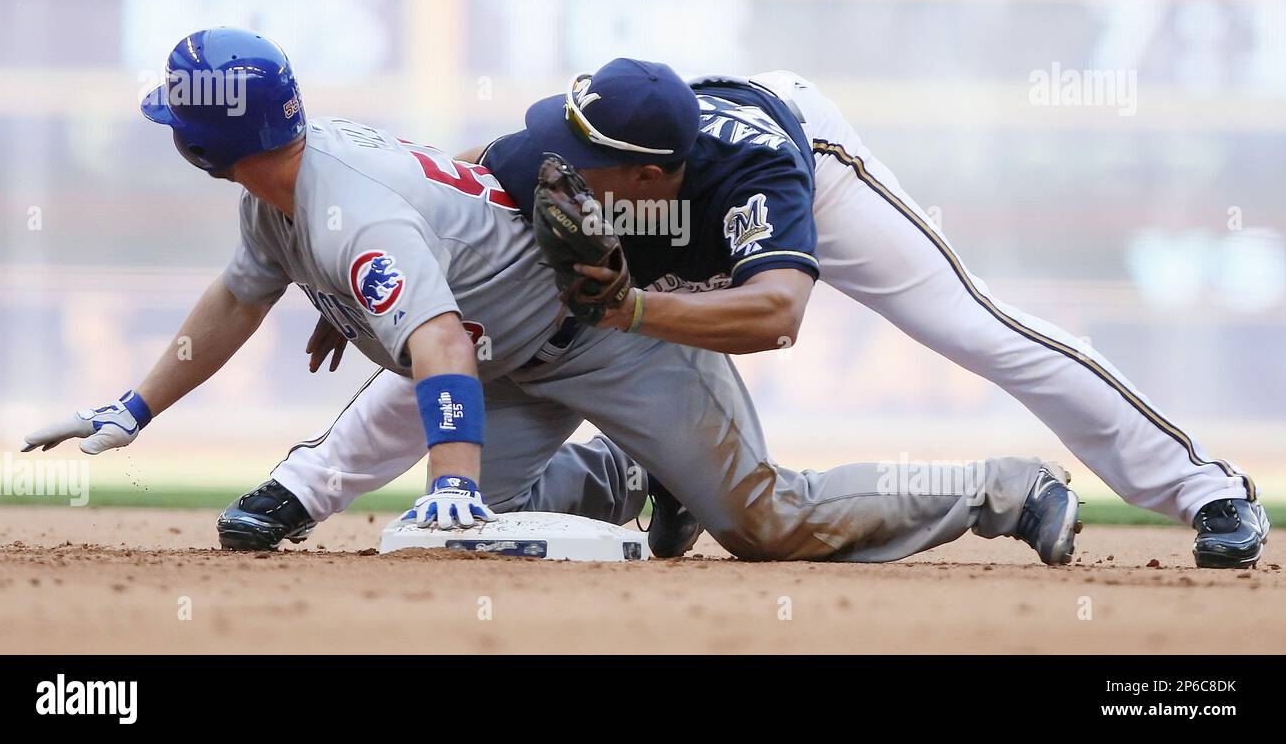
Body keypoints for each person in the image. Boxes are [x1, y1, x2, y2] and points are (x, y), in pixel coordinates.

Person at [22, 28, 1082, 566]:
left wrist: (446, 478)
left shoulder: (342, 210)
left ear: (213, 146)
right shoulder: (294, 188)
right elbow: (235, 296)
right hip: (520, 350)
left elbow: (436, 343)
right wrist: (138, 403)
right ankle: (626, 468)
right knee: (478, 526)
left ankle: (997, 486)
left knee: (764, 523)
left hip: (606, 334)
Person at [458, 59, 1267, 569]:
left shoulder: (751, 165)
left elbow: (777, 316)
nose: (563, 152)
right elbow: (452, 180)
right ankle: (655, 469)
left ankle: (1207, 488)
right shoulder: (567, 150)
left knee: (973, 327)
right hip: (675, 197)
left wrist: (633, 309)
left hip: (808, 166)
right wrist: (358, 292)